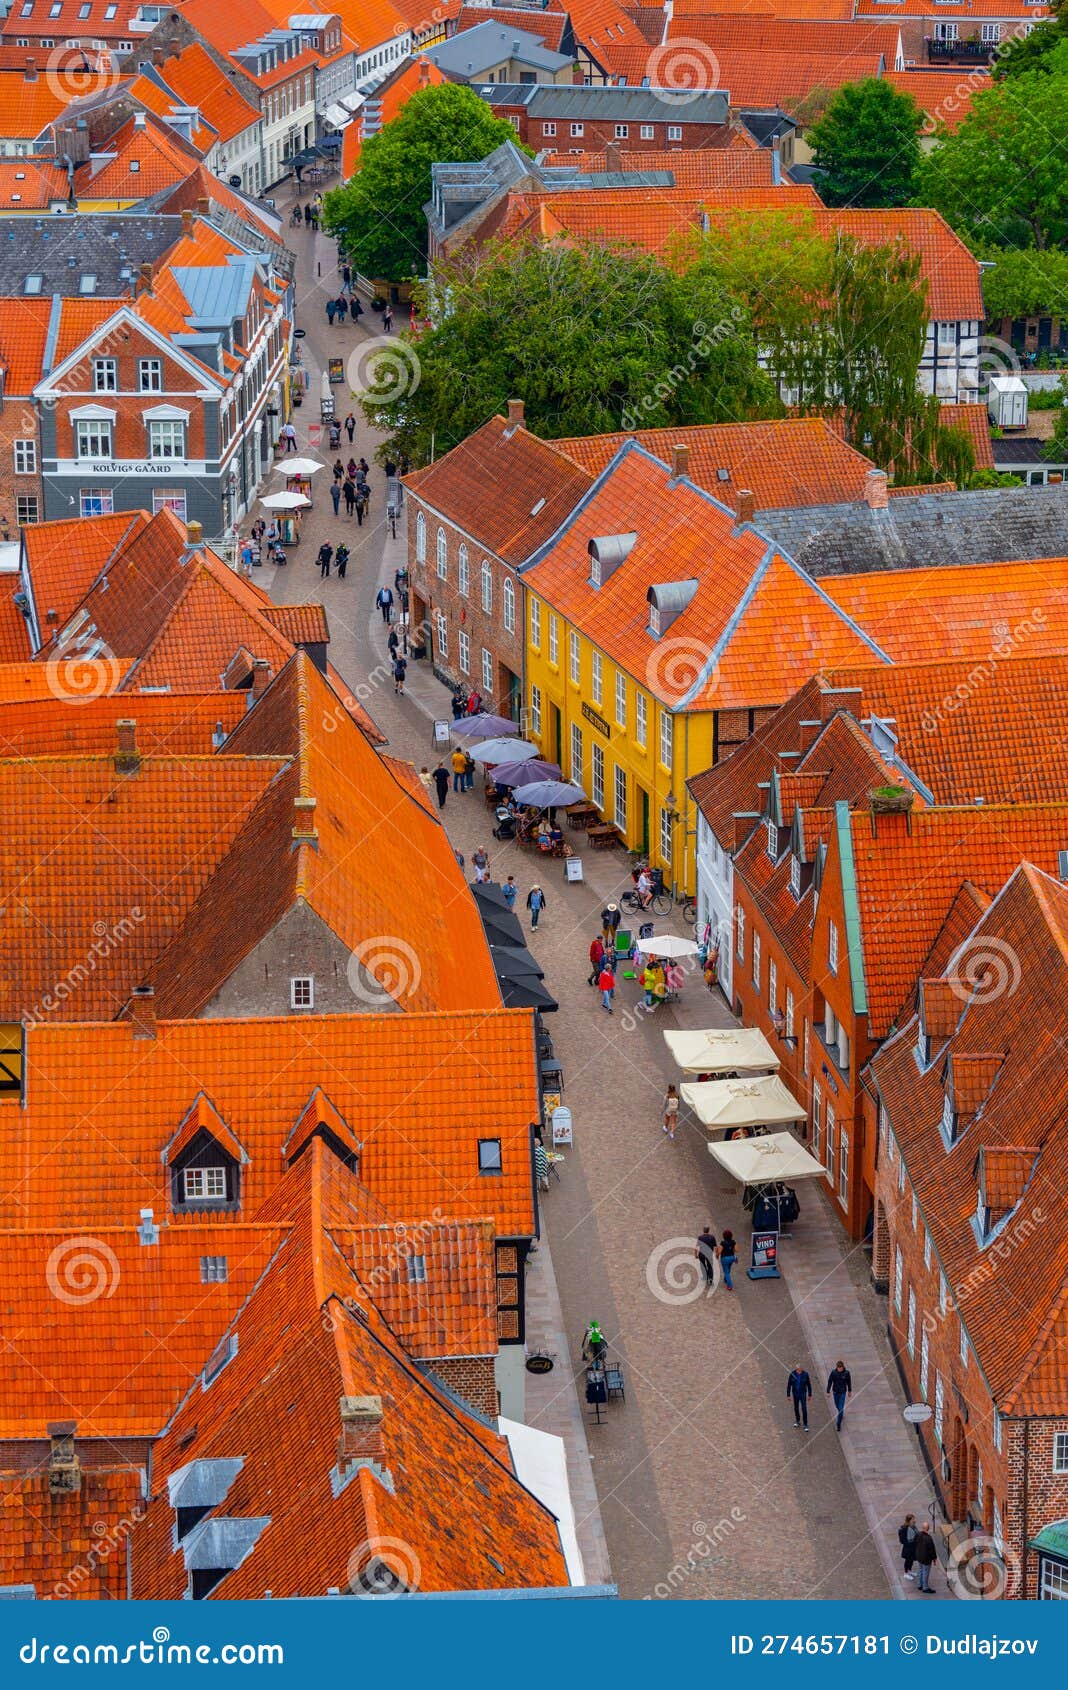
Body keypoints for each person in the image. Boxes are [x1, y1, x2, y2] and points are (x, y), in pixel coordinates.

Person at [826, 1360, 852, 1430]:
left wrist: (849, 1391)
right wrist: (828, 1391)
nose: (840, 1369)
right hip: (835, 1392)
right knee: (837, 1406)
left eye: (841, 1368)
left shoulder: (846, 1373)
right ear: (836, 1367)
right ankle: (841, 1414)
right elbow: (830, 1381)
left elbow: (849, 1382)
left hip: (842, 1393)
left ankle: (838, 1424)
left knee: (840, 1409)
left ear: (843, 1367)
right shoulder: (833, 1373)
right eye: (838, 1368)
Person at [786, 1365, 813, 1431]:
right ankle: (797, 1420)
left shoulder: (805, 1374)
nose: (799, 1371)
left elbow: (809, 1385)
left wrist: (809, 1394)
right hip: (795, 1394)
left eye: (800, 1370)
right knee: (796, 1408)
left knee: (804, 1408)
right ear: (796, 1369)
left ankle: (805, 1424)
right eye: (798, 1370)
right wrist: (788, 1395)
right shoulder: (792, 1374)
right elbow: (789, 1385)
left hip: (803, 1393)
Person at [913, 1523, 937, 1593]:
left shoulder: (918, 1534)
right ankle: (925, 1587)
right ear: (928, 1528)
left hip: (919, 1556)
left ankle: (919, 1585)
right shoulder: (929, 1538)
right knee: (925, 1572)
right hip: (926, 1558)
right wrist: (934, 1558)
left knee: (920, 1570)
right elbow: (932, 1550)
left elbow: (915, 1542)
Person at [696, 1225, 718, 1289]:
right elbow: (715, 1247)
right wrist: (717, 1254)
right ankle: (710, 1279)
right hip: (709, 1254)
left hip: (701, 1254)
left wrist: (695, 1254)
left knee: (703, 1265)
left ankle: (705, 1276)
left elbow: (697, 1247)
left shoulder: (700, 1237)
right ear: (708, 1230)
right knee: (710, 1266)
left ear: (703, 1230)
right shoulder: (712, 1237)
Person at [899, 1514, 918, 1581]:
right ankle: (906, 1573)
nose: (914, 1520)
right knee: (908, 1560)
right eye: (913, 1519)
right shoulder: (904, 1528)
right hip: (908, 1548)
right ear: (909, 1520)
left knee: (911, 1560)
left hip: (913, 1547)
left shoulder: (913, 1526)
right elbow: (902, 1540)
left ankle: (909, 1570)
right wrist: (909, 1543)